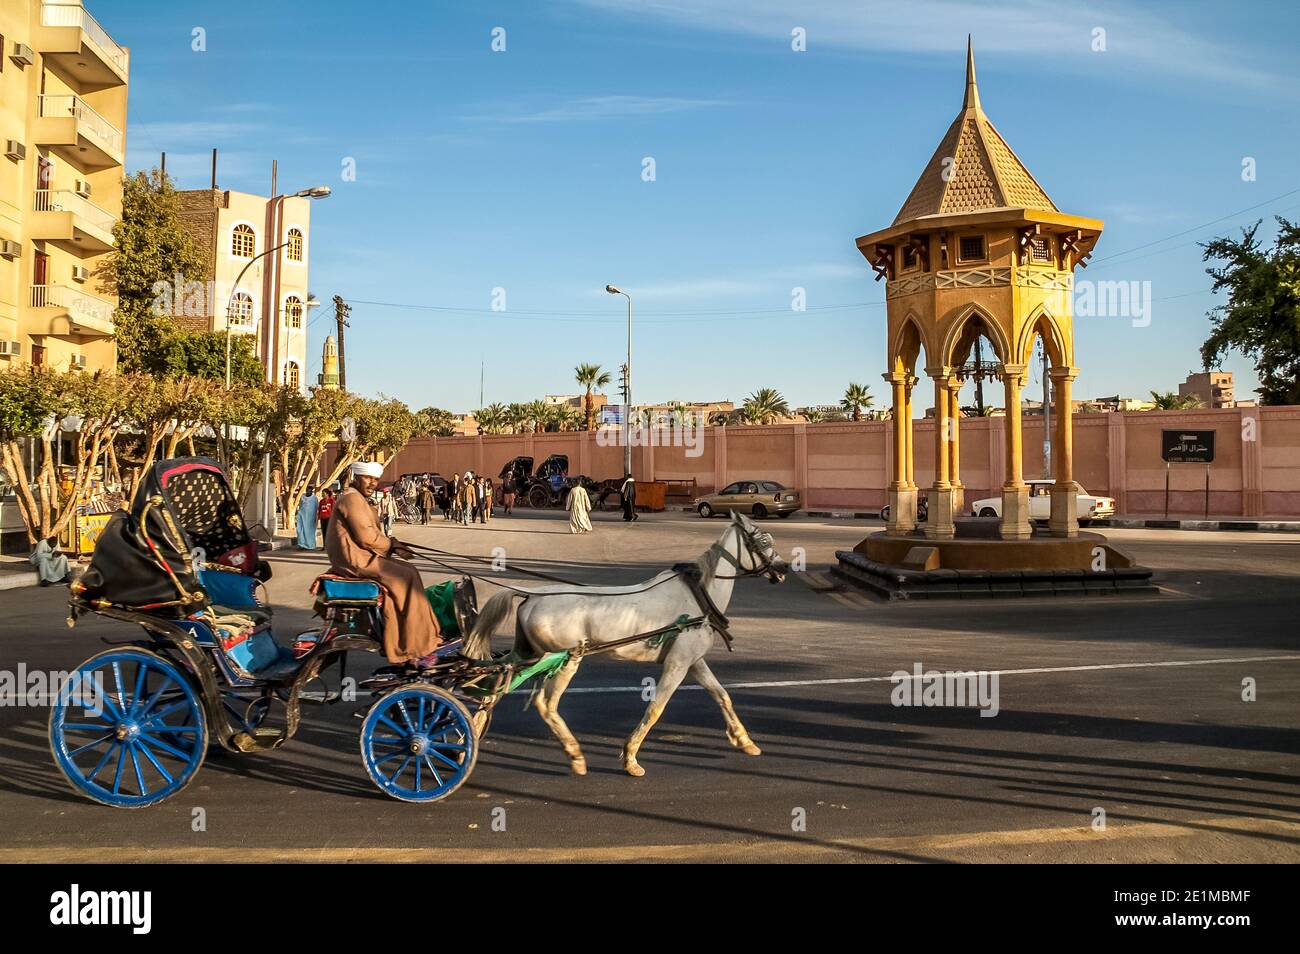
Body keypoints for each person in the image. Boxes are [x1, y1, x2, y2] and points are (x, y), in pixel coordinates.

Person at [326, 462, 441, 666]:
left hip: (362, 556)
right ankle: (412, 646)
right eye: (367, 478)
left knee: (409, 570)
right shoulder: (351, 498)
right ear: (356, 477)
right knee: (405, 577)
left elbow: (373, 536)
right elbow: (366, 537)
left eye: (375, 479)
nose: (372, 483)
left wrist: (394, 546)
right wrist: (393, 546)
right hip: (355, 560)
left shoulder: (359, 499)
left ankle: (421, 636)